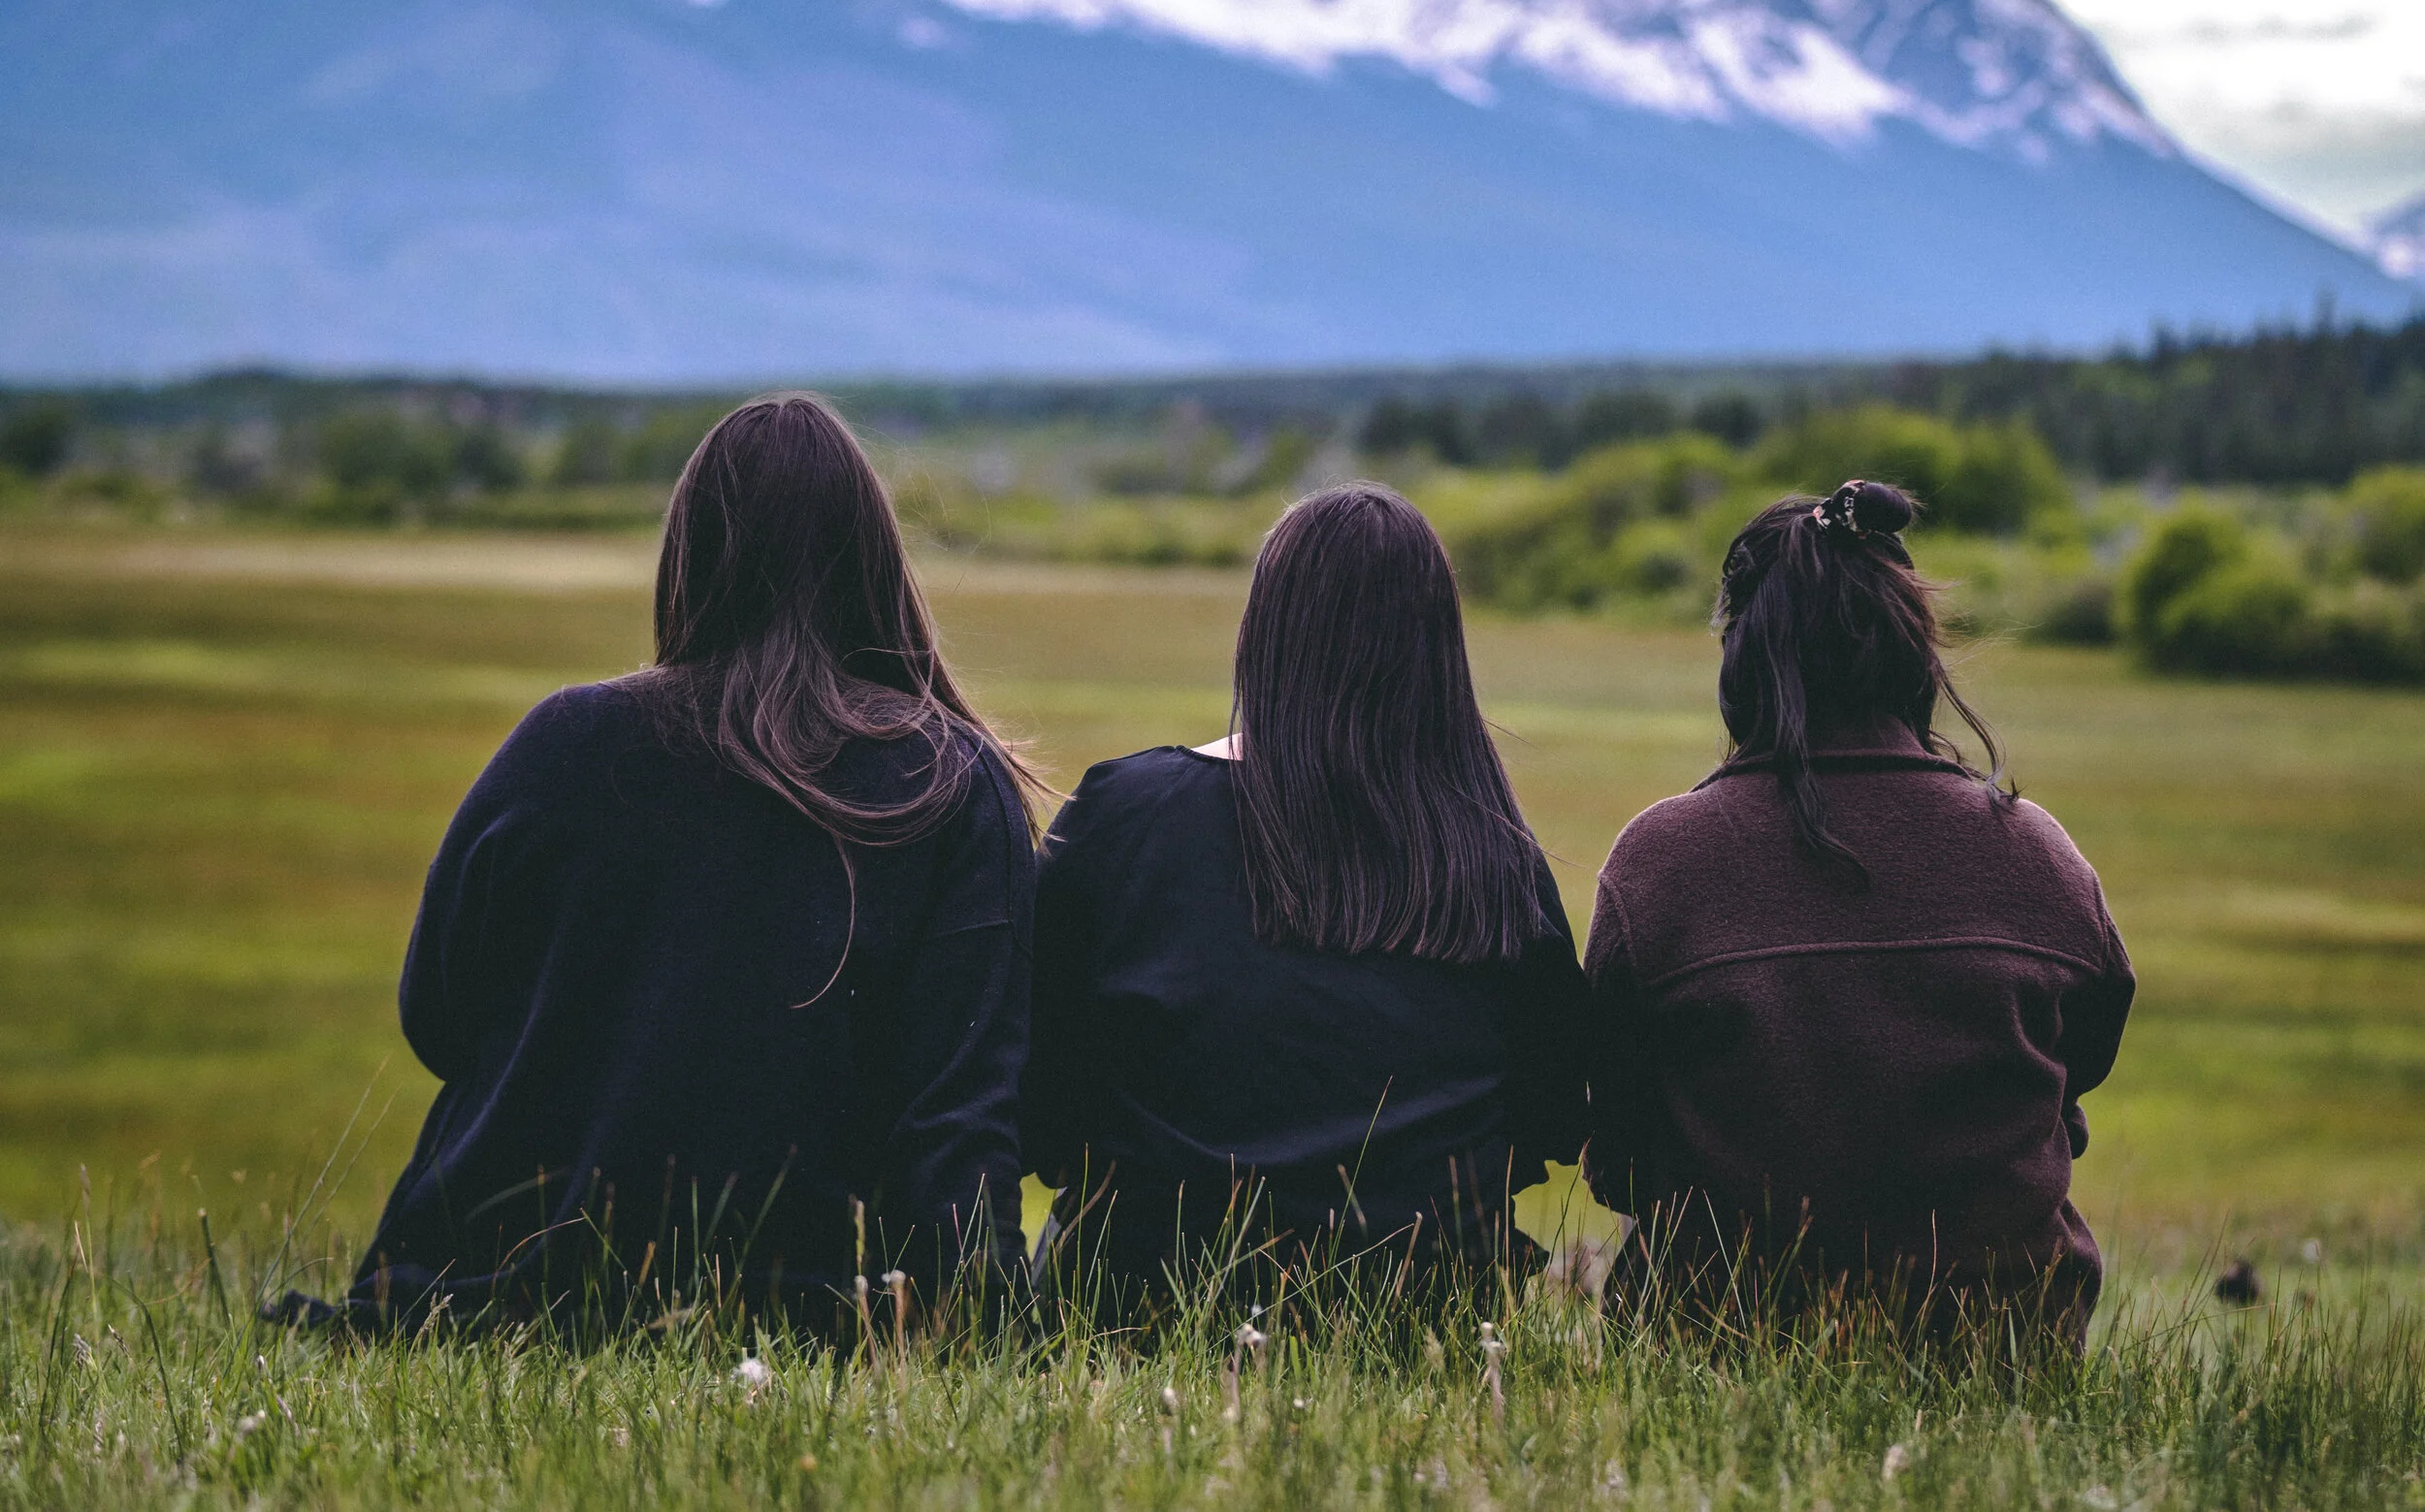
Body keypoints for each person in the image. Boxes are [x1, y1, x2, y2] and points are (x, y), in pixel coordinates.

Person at [340, 396, 1041, 1334]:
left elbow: (437, 1017)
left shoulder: (565, 742)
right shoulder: (948, 780)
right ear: (876, 563)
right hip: (780, 1317)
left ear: (690, 558)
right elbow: (956, 1118)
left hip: (468, 1297)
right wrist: (975, 1328)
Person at [1582, 480, 2134, 1337]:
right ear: (1913, 650)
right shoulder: (2040, 855)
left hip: (1719, 1342)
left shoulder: (1662, 862)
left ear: (1744, 657)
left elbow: (1615, 1129)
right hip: (2005, 1349)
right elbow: (2079, 1065)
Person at [1021, 482, 1588, 1307]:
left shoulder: (1125, 814)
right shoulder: (1496, 856)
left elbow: (1039, 1092)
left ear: (1263, 636)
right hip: (1420, 1320)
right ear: (1439, 655)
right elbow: (1547, 1120)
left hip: (1135, 1301)